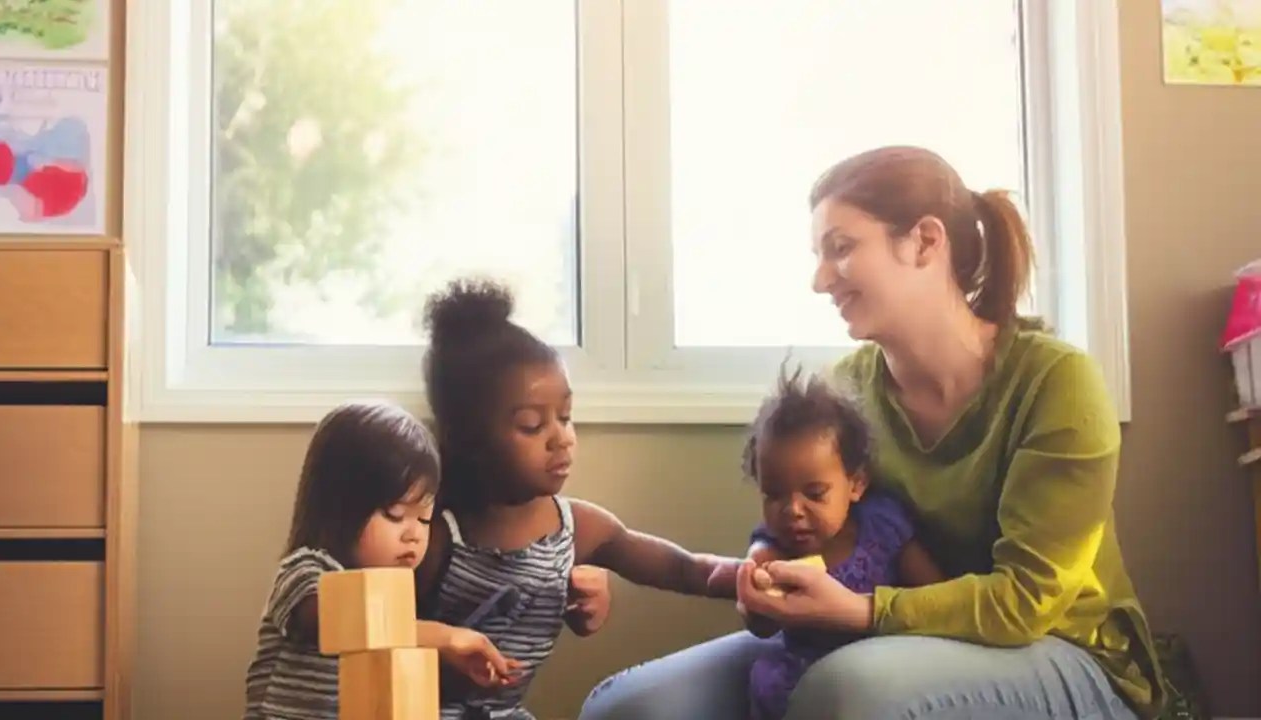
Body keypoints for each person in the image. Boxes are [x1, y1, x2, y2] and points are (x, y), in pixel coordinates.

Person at [578, 146, 1168, 720]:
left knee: (847, 690)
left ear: (925, 242)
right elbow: (825, 534)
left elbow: (1025, 604)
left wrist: (862, 611)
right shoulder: (849, 390)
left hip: (1066, 654)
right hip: (875, 633)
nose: (819, 280)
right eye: (818, 254)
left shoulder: (1056, 383)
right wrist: (767, 570)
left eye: (841, 249)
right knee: (629, 707)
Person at [413, 278, 741, 720]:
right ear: (467, 438)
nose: (562, 439)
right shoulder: (432, 537)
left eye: (565, 417)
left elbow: (683, 569)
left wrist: (748, 576)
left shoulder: (575, 529)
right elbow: (366, 635)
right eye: (533, 425)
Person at [242, 401, 519, 720]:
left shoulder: (393, 596)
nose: (414, 534)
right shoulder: (305, 573)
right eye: (395, 515)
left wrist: (451, 661)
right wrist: (444, 638)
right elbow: (346, 621)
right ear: (339, 508)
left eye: (425, 519)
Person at [739, 364, 945, 720]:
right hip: (804, 672)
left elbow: (935, 591)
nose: (793, 510)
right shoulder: (774, 549)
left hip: (890, 666)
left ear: (856, 484)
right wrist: (757, 598)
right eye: (774, 495)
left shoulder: (883, 525)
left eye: (814, 494)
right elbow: (762, 624)